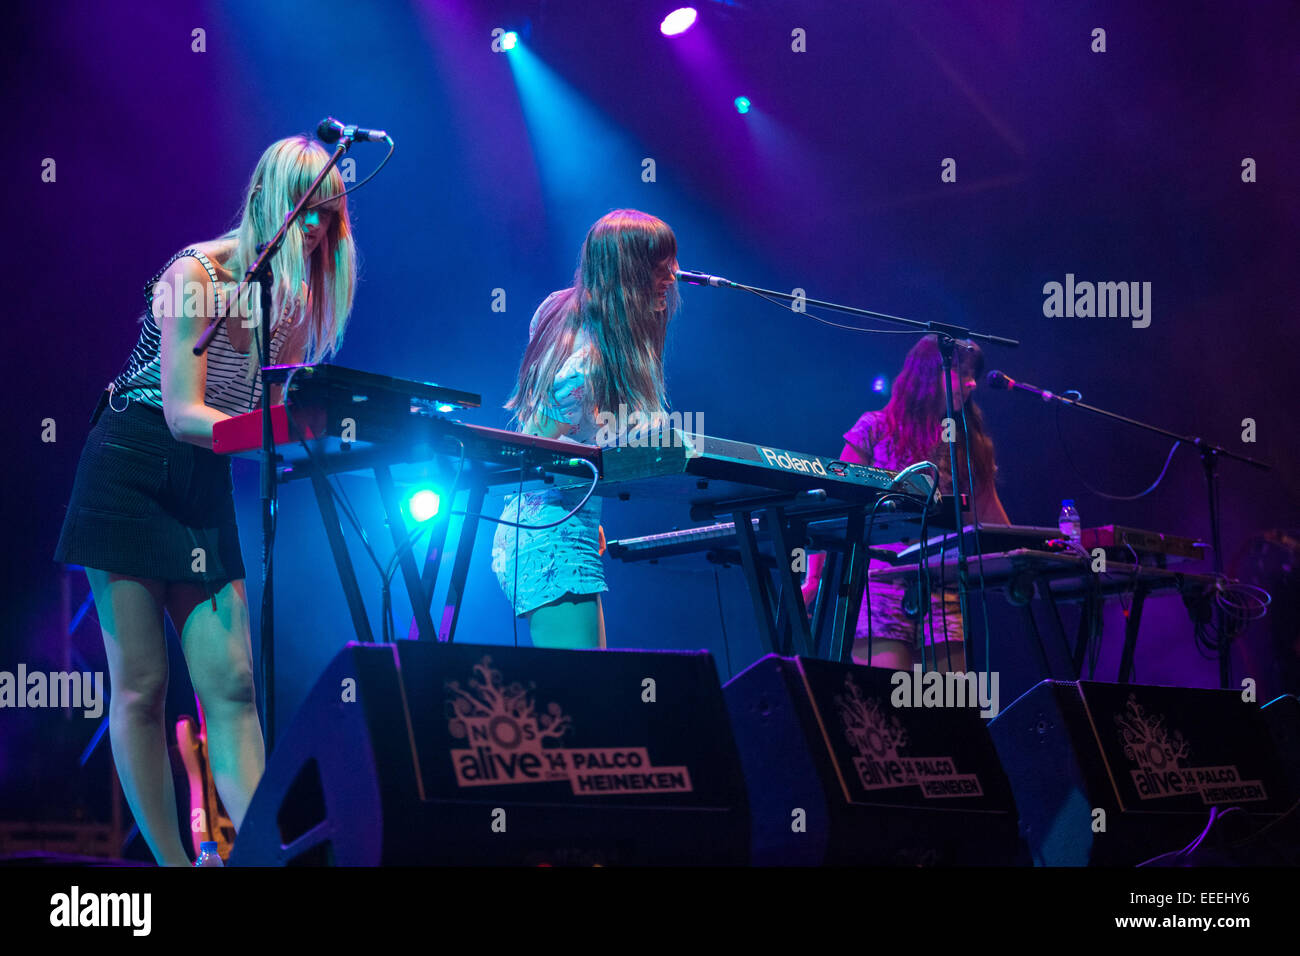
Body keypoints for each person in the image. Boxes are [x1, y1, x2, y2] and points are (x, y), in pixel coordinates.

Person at [54, 135, 357, 865]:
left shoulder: (290, 298)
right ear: (268, 205)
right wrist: (283, 438)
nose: (315, 233)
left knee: (233, 687)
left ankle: (260, 859)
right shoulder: (196, 272)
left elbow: (242, 420)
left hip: (204, 474)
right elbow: (185, 411)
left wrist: (318, 434)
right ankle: (171, 865)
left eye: (329, 219)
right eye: (305, 216)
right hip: (133, 462)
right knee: (143, 689)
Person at [492, 209, 680, 649]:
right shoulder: (588, 361)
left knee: (586, 692)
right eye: (659, 266)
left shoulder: (574, 319)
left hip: (562, 525)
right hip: (550, 534)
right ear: (627, 271)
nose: (672, 276)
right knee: (582, 696)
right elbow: (535, 441)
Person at [802, 335, 1010, 672]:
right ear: (929, 373)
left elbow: (990, 520)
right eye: (962, 372)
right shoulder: (874, 428)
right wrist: (814, 579)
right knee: (886, 712)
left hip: (944, 589)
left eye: (974, 375)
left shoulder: (968, 444)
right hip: (880, 588)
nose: (972, 382)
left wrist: (1040, 555)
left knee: (951, 713)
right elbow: (834, 506)